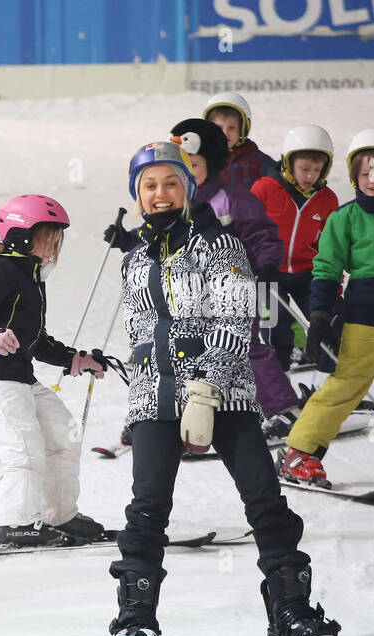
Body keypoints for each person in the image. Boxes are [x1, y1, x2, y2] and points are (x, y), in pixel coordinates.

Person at [108, 139, 339, 636]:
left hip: (226, 392)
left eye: (171, 182)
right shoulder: (135, 257)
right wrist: (140, 402)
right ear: (138, 195)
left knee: (264, 501)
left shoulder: (219, 244)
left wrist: (206, 391)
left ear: (187, 188)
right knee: (147, 509)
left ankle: (292, 613)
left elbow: (236, 320)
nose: (161, 193)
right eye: (149, 186)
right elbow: (141, 332)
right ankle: (136, 623)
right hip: (156, 397)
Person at [106, 120, 300, 441]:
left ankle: (283, 408)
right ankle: (166, 412)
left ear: (212, 163)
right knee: (173, 348)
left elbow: (262, 234)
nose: (188, 170)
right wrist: (125, 240)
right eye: (183, 164)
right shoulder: (177, 197)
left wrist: (267, 265)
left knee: (243, 347)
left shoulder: (231, 198)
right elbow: (155, 234)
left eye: (195, 164)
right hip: (183, 293)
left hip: (230, 289)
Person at [279, 128, 374, 488]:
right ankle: (299, 453)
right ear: (354, 176)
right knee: (347, 385)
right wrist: (318, 314)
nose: (373, 180)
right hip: (365, 319)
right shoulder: (343, 219)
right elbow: (327, 270)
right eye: (365, 174)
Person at [0, 194, 108, 548]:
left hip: (19, 376)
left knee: (64, 435)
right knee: (22, 448)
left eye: (57, 237)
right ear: (21, 235)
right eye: (48, 235)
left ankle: (59, 515)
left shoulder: (30, 275)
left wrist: (76, 359)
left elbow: (34, 339)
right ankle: (16, 523)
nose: (54, 245)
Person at [251, 125, 341, 372]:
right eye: (304, 168)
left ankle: (333, 385)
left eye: (316, 169)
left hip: (307, 275)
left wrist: (335, 287)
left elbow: (331, 248)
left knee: (327, 323)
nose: (309, 175)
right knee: (276, 328)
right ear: (288, 163)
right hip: (270, 274)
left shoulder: (328, 200)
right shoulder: (265, 189)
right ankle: (278, 383)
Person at [203, 92, 272, 189]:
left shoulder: (258, 162)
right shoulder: (201, 159)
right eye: (219, 127)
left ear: (242, 129)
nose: (225, 133)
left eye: (231, 128)